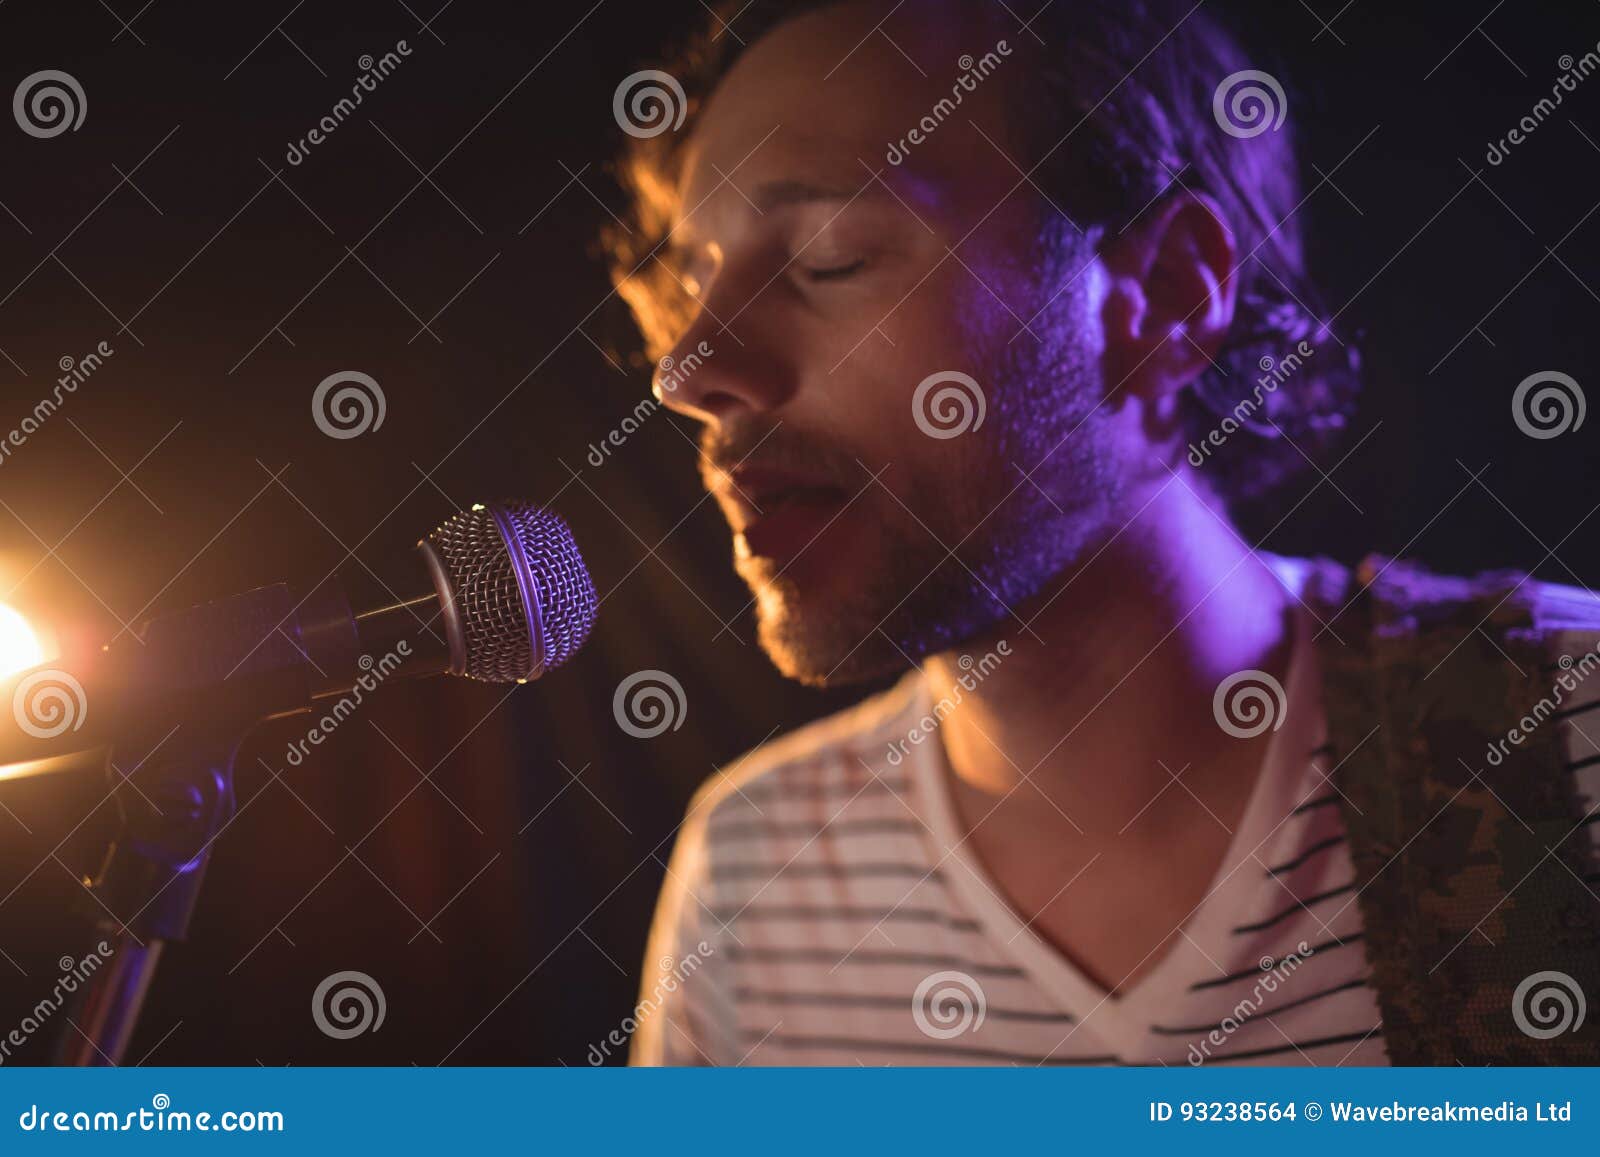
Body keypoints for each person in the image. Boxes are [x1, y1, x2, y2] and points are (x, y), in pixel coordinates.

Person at [605, 0, 1600, 1065]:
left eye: (832, 257)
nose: (688, 369)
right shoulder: (755, 874)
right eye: (694, 285)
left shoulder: (1562, 732)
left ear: (1163, 295)